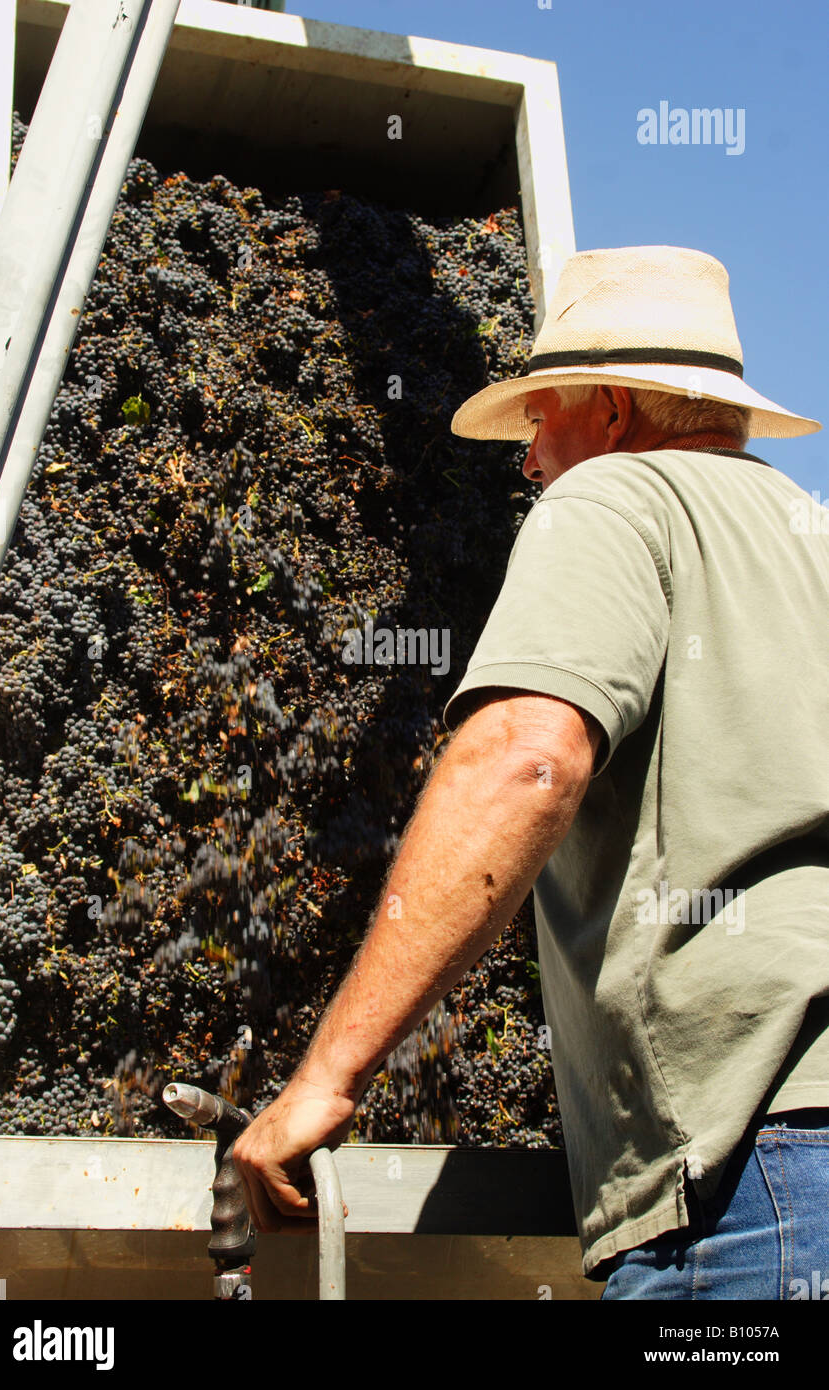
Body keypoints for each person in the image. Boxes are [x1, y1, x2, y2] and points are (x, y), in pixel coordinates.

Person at [232, 245, 829, 1300]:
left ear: (605, 410)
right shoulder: (809, 537)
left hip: (754, 1175)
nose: (525, 461)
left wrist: (327, 1078)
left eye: (538, 418)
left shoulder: (613, 498)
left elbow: (525, 760)